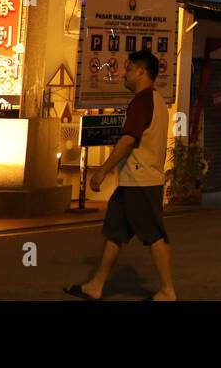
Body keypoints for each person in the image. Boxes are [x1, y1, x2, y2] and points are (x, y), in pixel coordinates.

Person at [66, 50, 176, 300]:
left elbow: (128, 140)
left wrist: (102, 170)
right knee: (115, 232)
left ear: (141, 72)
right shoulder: (157, 100)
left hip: (141, 181)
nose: (124, 74)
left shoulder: (142, 100)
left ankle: (168, 290)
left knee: (154, 234)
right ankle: (97, 284)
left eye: (128, 69)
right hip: (134, 180)